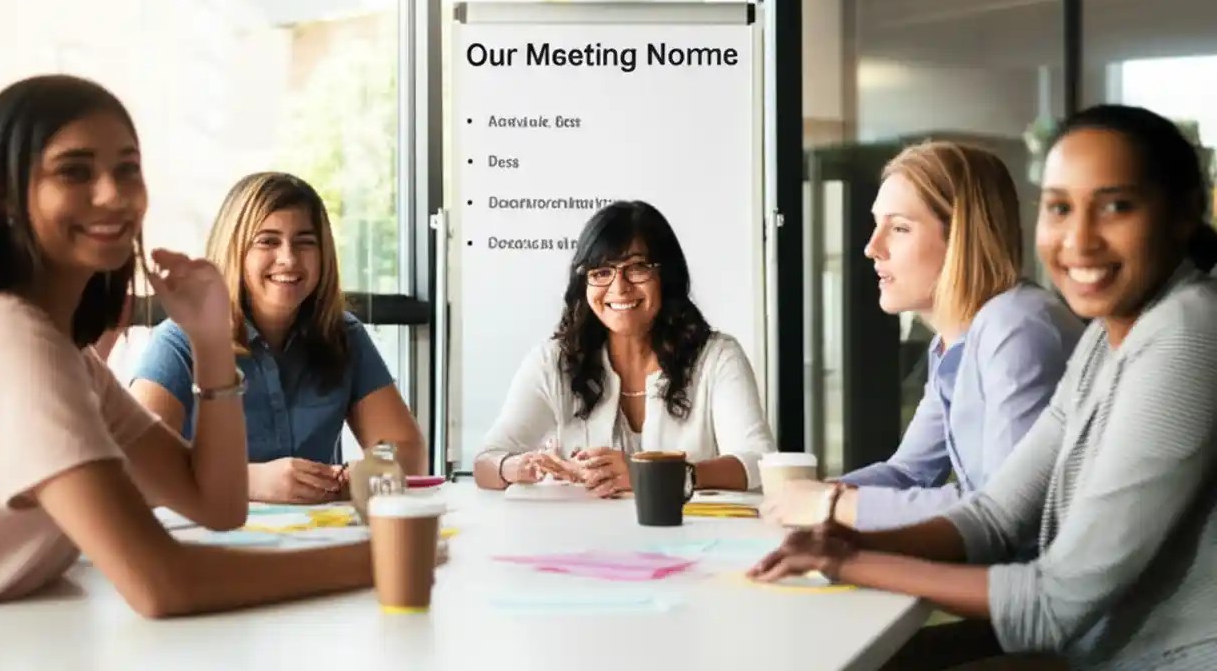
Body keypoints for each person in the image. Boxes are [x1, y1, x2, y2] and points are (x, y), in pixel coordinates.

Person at [750, 105, 1217, 670]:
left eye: (1116, 206)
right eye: (1060, 208)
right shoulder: (1106, 336)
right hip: (1092, 650)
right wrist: (846, 540)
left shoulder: (1187, 333)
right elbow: (995, 514)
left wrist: (846, 557)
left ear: (1184, 214)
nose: (1079, 239)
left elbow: (1052, 604)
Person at [0, 75, 374, 614]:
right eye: (74, 171)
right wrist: (378, 558)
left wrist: (211, 343)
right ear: (5, 195)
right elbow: (162, 582)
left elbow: (217, 506)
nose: (113, 195)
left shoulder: (67, 356)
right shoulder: (5, 340)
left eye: (128, 169)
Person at [762, 142, 1084, 530]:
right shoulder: (952, 344)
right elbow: (908, 473)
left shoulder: (1017, 327)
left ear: (962, 236)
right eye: (876, 225)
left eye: (899, 228)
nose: (872, 248)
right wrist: (810, 495)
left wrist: (831, 504)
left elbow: (1005, 510)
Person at [131, 172, 426, 503]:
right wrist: (250, 482)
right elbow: (135, 462)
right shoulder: (181, 340)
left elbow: (409, 452)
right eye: (267, 241)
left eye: (305, 242)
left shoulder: (344, 335)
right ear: (235, 250)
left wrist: (354, 479)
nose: (289, 259)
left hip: (317, 530)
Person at [473, 200, 776, 496]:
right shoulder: (553, 360)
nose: (619, 288)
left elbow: (758, 462)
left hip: (689, 528)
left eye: (637, 268)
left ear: (666, 276)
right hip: (583, 530)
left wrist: (654, 474)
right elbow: (486, 461)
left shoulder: (717, 356)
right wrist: (520, 467)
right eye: (601, 272)